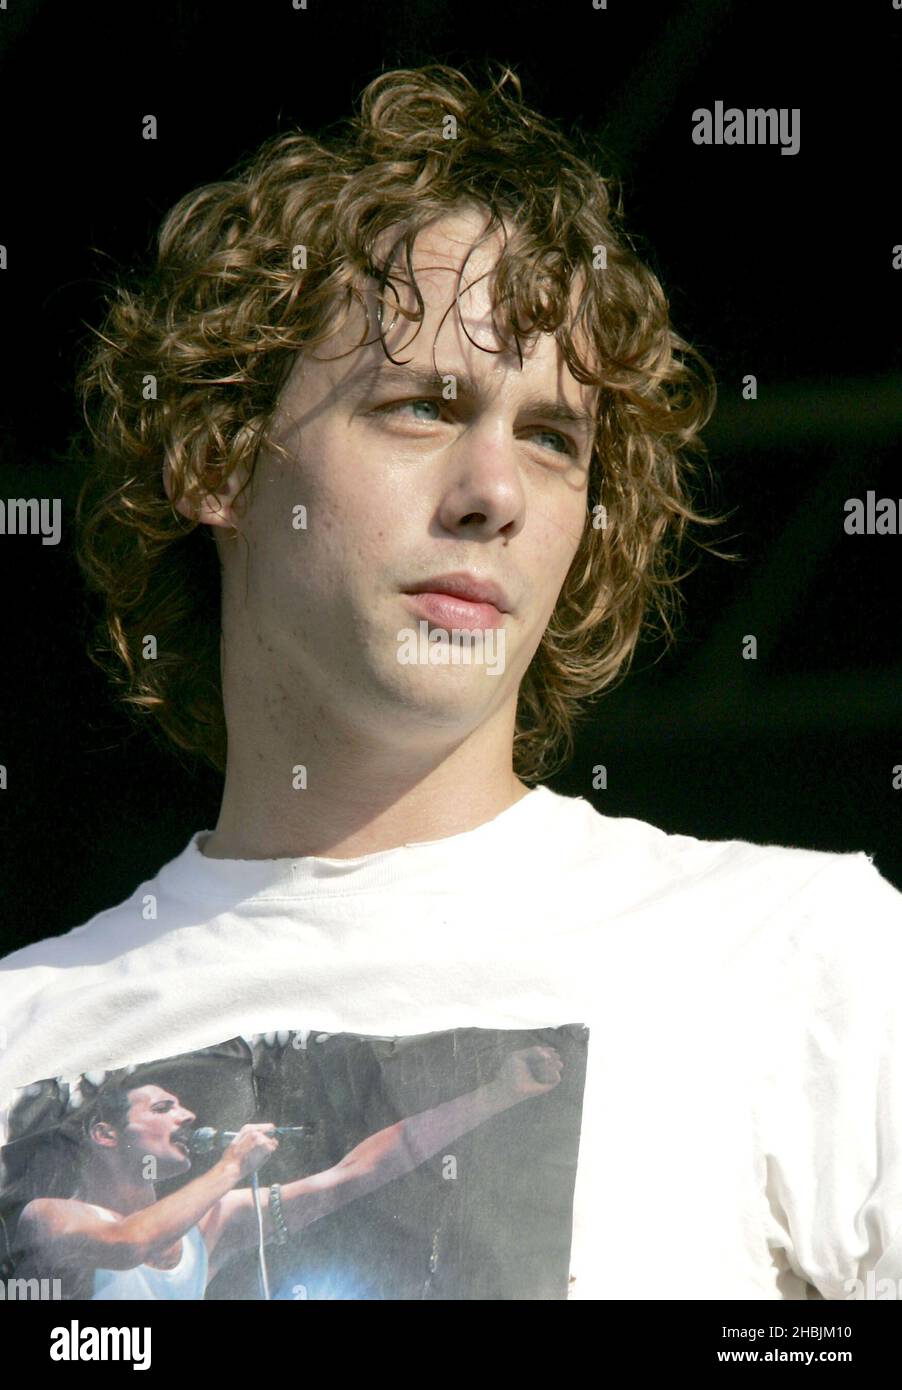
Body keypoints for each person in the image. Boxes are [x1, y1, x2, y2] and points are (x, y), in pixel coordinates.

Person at [1, 63, 900, 1302]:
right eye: (424, 405)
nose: (498, 492)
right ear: (216, 457)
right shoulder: (20, 1031)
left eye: (550, 437)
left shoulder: (802, 957)